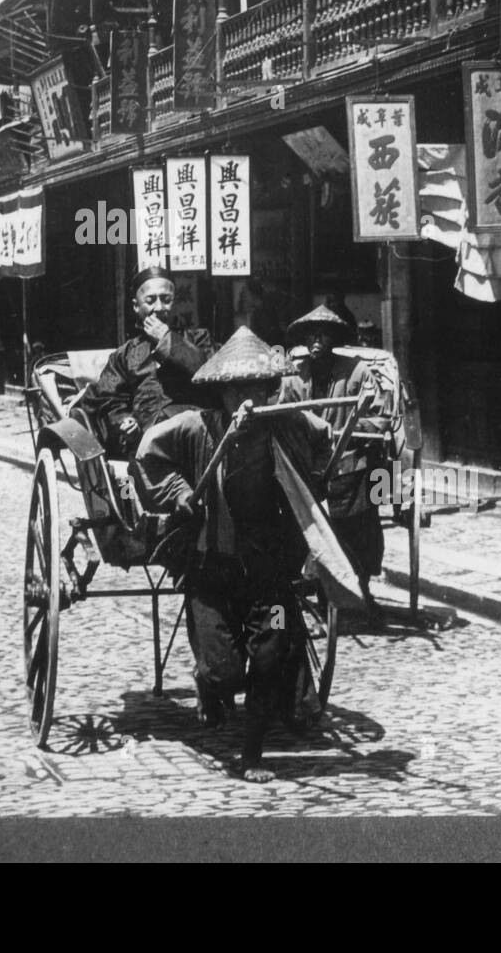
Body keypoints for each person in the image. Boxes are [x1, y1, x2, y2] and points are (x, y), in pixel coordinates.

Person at [132, 328, 344, 783]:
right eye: (237, 389)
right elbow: (148, 455)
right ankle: (210, 686)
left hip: (271, 577)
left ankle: (252, 754)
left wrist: (314, 479)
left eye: (257, 388)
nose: (247, 398)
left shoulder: (287, 423)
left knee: (270, 656)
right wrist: (180, 492)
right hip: (211, 574)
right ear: (222, 393)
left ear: (270, 390)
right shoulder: (195, 426)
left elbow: (326, 443)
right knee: (222, 672)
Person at [278, 303, 385, 618]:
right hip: (308, 469)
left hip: (349, 467)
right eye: (311, 335)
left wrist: (350, 431)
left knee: (361, 523)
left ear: (334, 338)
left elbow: (378, 418)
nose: (316, 341)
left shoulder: (356, 371)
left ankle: (360, 585)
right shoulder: (294, 378)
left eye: (323, 335)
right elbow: (284, 420)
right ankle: (315, 587)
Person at [81, 266, 215, 458]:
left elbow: (210, 372)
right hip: (149, 444)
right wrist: (124, 420)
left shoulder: (199, 339)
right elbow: (106, 399)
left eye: (166, 300)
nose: (159, 308)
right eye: (150, 300)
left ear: (175, 303)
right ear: (136, 306)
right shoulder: (125, 355)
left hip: (198, 439)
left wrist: (167, 340)